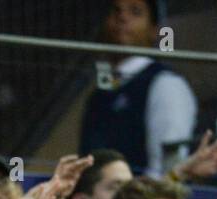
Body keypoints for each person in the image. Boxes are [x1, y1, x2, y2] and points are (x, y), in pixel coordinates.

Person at [79, 0, 196, 176]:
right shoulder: (101, 92)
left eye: (135, 12)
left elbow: (168, 168)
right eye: (116, 10)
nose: (123, 17)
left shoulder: (164, 83)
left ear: (154, 30)